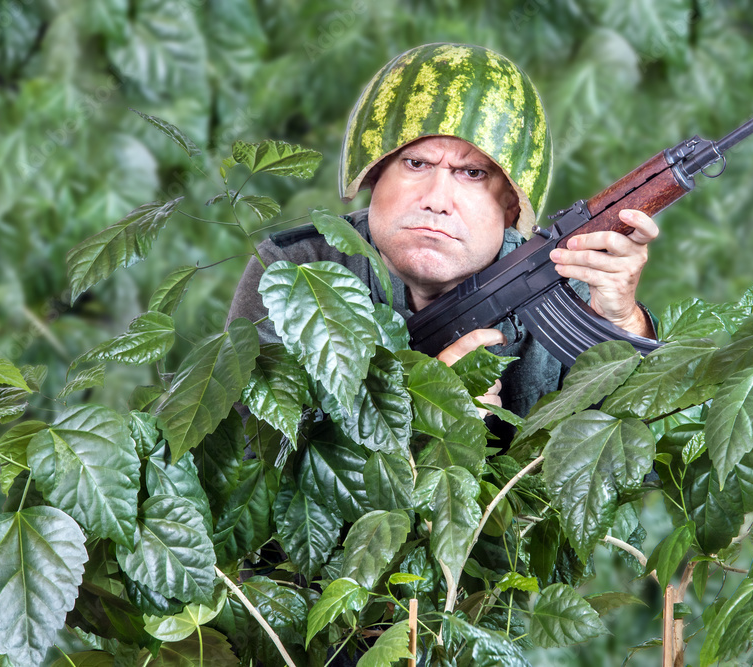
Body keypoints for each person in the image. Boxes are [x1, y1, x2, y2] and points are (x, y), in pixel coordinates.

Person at [227, 43, 658, 421]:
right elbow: (248, 456)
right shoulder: (294, 271)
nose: (436, 199)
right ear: (375, 173)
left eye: (472, 173)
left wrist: (626, 324)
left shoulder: (569, 284)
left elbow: (635, 459)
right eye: (416, 164)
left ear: (512, 203)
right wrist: (420, 426)